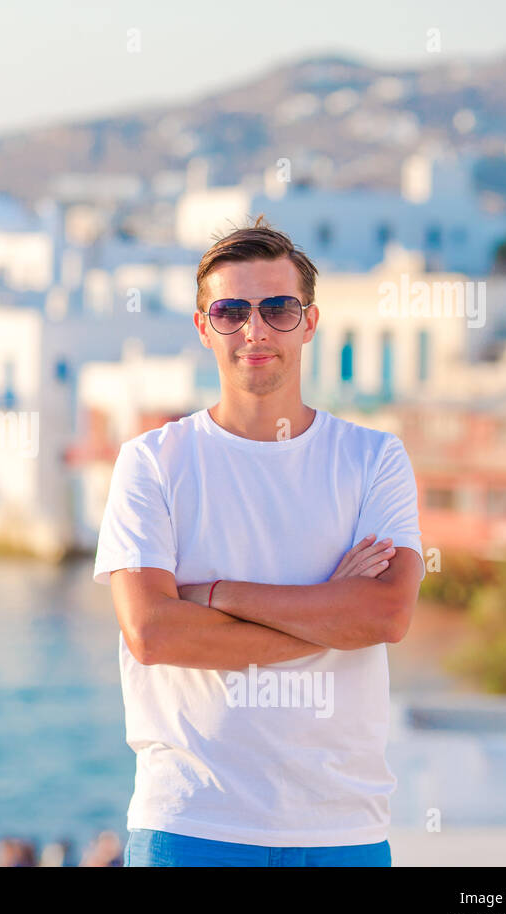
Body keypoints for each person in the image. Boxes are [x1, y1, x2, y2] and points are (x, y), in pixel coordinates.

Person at [94, 217, 424, 867]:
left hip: (342, 832)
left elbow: (386, 614)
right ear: (201, 327)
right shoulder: (153, 462)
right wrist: (332, 612)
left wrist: (217, 596)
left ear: (309, 321)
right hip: (192, 825)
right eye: (231, 311)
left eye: (278, 309)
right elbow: (156, 635)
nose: (256, 331)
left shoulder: (374, 459)